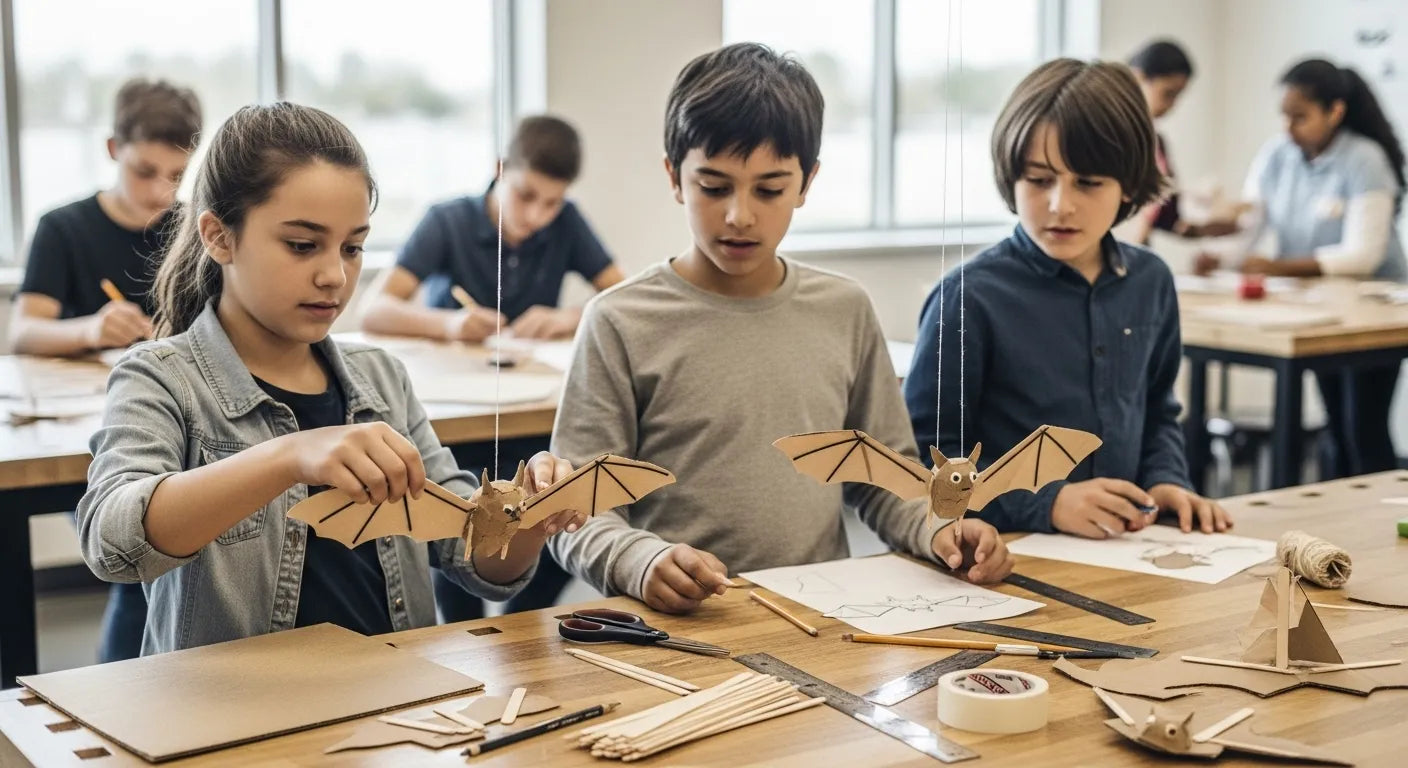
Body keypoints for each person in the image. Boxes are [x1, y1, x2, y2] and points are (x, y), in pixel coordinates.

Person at [75, 102, 584, 654]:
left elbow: (472, 553)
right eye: (301, 245)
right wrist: (290, 456)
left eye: (353, 247)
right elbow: (112, 541)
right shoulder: (160, 377)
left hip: (396, 714)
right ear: (219, 237)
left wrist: (529, 516)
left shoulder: (382, 378)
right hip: (239, 719)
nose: (335, 275)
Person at [548, 43, 1014, 616]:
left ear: (806, 182)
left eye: (769, 189)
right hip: (680, 629)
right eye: (714, 187)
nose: (740, 214)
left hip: (826, 617)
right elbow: (572, 512)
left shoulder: (843, 309)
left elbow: (885, 479)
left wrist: (939, 528)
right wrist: (638, 561)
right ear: (674, 177)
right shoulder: (619, 320)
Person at [905, 58, 1231, 538]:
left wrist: (1165, 481)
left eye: (1089, 182)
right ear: (1011, 179)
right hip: (1003, 557)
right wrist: (1045, 504)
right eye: (1039, 180)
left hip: (1125, 550)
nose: (1061, 204)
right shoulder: (967, 298)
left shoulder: (1151, 280)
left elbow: (1158, 410)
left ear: (1127, 188)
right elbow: (925, 459)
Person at [1199, 58, 1406, 477]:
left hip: (1374, 312)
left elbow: (1362, 255)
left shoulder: (1365, 160)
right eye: (1284, 115)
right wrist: (1221, 259)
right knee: (1336, 428)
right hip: (1320, 313)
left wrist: (1276, 267)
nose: (1288, 127)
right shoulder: (1278, 155)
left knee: (1362, 429)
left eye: (1300, 117)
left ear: (1335, 112)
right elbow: (1251, 222)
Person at [362, 115, 623, 343]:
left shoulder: (567, 220)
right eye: (525, 195)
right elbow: (373, 311)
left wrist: (569, 317)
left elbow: (624, 296)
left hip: (534, 382)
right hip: (455, 382)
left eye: (552, 203)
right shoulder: (447, 220)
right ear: (501, 169)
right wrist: (449, 325)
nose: (535, 216)